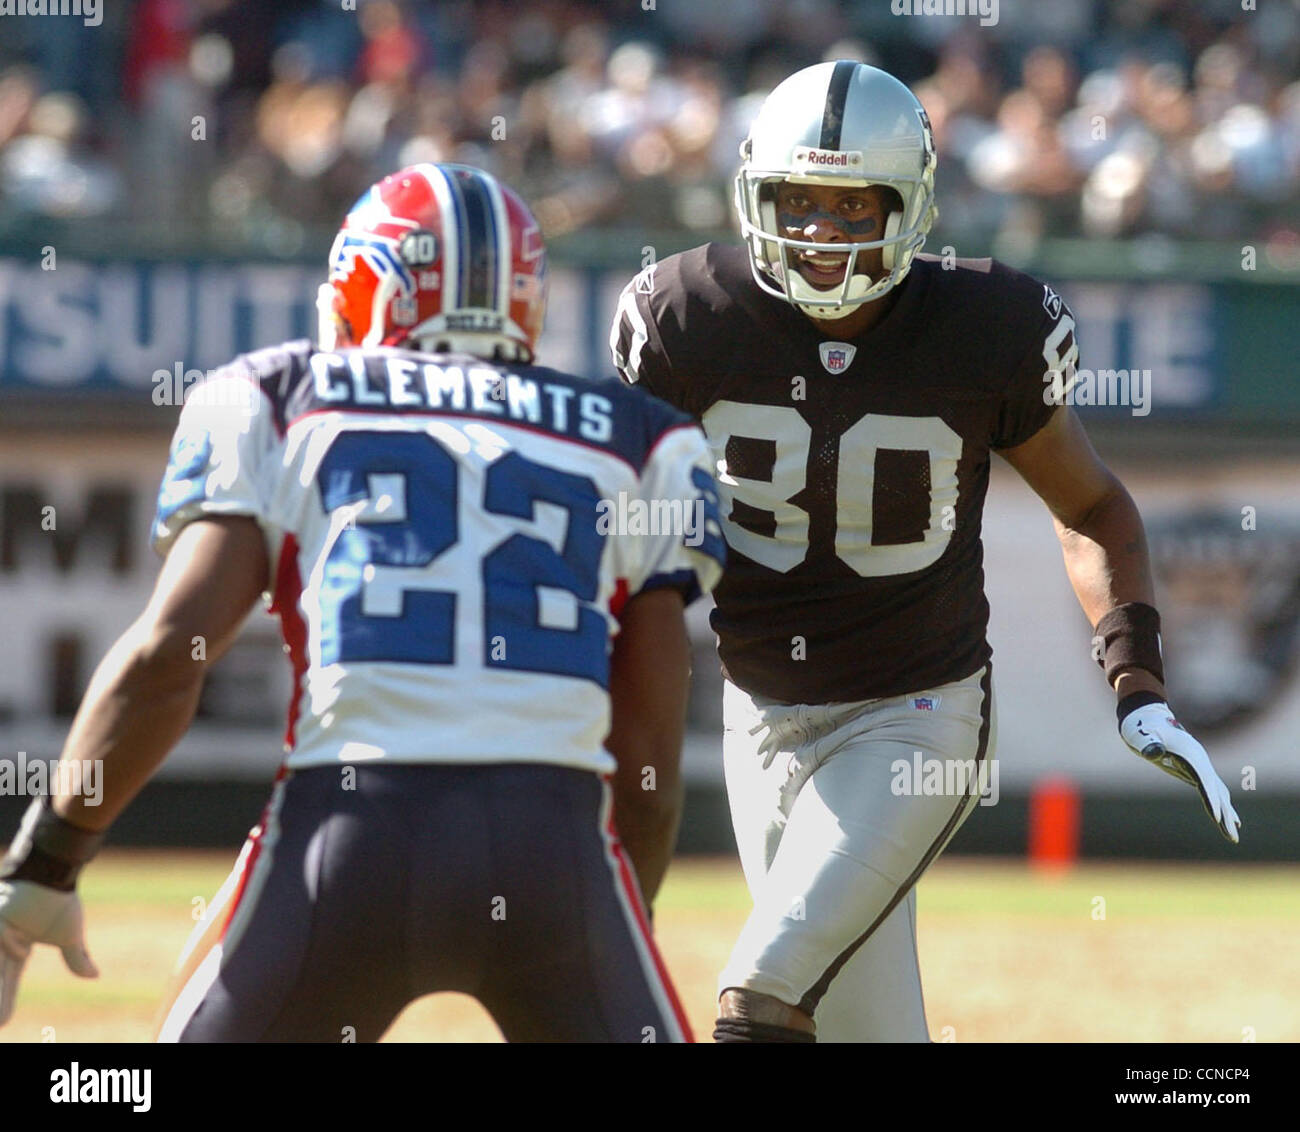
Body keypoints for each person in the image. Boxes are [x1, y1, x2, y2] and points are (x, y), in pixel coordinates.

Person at [0, 163, 725, 1042]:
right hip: (553, 846)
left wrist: (46, 860)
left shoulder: (281, 395)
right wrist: (606, 919)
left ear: (367, 289)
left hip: (349, 836)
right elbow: (647, 748)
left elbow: (167, 657)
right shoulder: (639, 436)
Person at [609, 60, 1239, 1044]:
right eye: (798, 203)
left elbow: (1093, 507)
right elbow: (615, 512)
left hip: (916, 716)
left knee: (762, 992)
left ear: (907, 208)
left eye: (851, 206)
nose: (818, 235)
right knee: (855, 1023)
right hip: (759, 713)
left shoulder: (982, 328)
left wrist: (1137, 680)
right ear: (753, 194)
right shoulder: (686, 316)